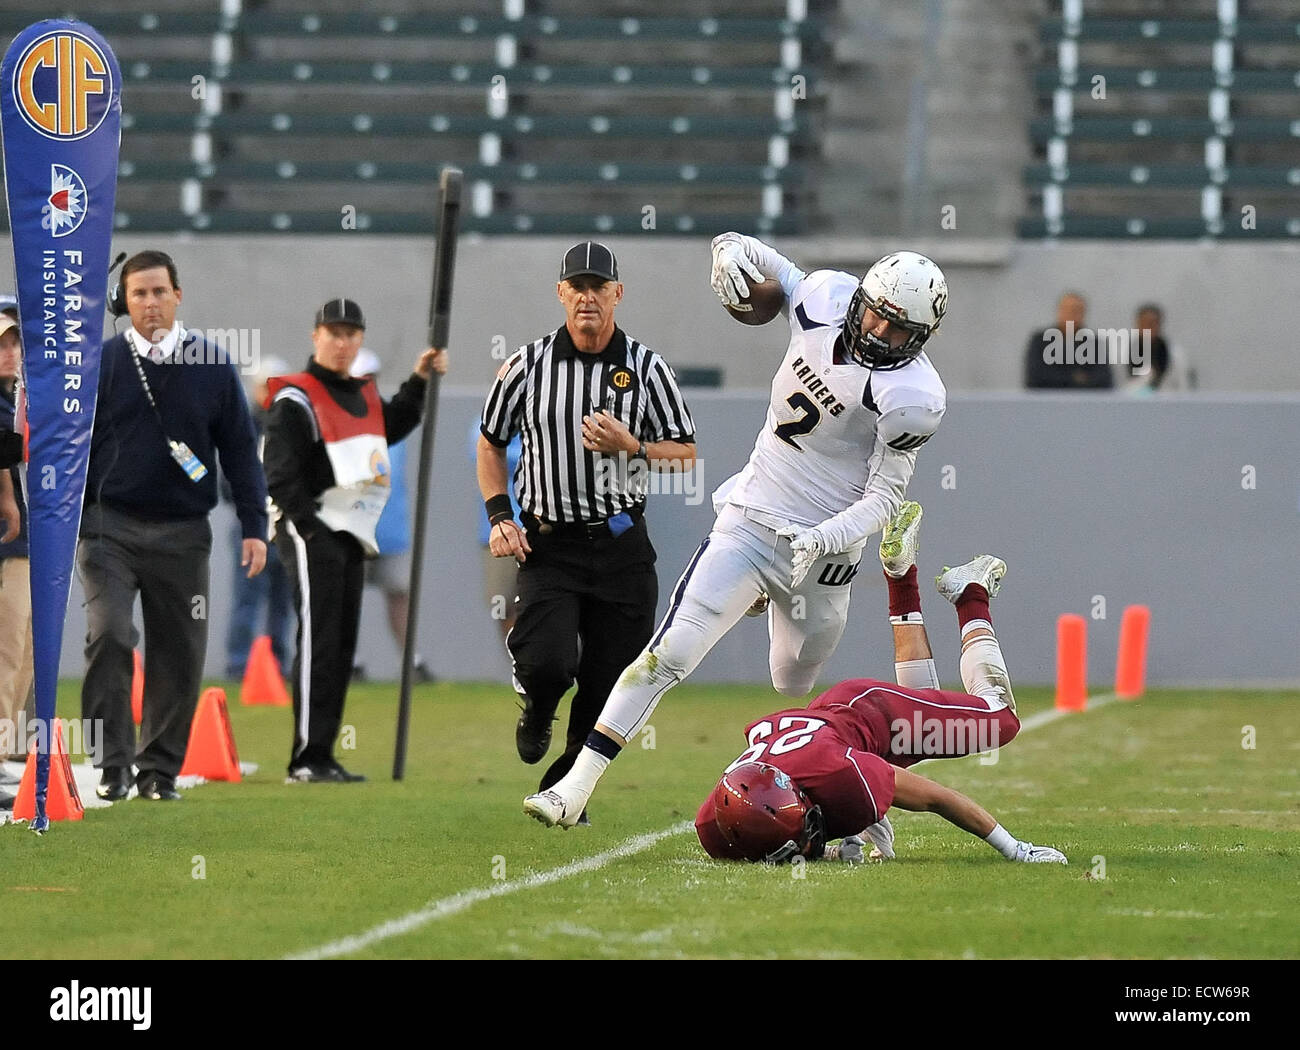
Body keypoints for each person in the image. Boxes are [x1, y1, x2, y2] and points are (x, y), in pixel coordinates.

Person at [525, 233, 948, 828]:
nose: (878, 332)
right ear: (860, 300)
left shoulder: (912, 397)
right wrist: (727, 249)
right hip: (752, 516)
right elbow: (774, 265)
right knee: (669, 652)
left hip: (822, 553)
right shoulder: (827, 298)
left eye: (897, 330)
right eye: (876, 314)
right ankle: (573, 789)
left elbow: (885, 497)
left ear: (920, 339)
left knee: (790, 677)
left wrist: (824, 538)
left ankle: (762, 604)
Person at [479, 241, 696, 824]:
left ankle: (563, 790)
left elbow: (687, 456)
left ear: (617, 295)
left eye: (599, 287)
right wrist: (501, 516)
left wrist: (635, 446)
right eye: (577, 287)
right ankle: (536, 704)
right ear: (560, 294)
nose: (588, 298)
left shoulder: (648, 368)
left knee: (608, 685)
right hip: (551, 542)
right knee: (549, 662)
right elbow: (490, 442)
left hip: (622, 542)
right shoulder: (526, 366)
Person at [79, 250, 268, 802]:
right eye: (139, 294)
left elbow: (239, 449)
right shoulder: (101, 363)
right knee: (109, 635)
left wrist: (255, 523)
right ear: (125, 301)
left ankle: (157, 772)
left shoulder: (211, 365)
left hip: (184, 531)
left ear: (178, 295)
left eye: (159, 292)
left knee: (179, 652)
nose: (151, 303)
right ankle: (111, 763)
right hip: (107, 527)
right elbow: (73, 446)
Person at [262, 299, 445, 783]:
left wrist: (419, 380)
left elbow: (393, 425)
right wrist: (310, 527)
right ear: (315, 336)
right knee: (320, 637)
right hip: (308, 529)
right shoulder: (295, 398)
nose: (342, 343)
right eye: (333, 333)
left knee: (341, 642)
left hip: (350, 531)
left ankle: (322, 752)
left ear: (360, 339)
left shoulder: (361, 395)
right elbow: (279, 476)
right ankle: (305, 757)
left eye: (351, 334)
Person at [347, 348, 434, 683]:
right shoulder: (342, 419)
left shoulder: (387, 416)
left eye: (372, 377)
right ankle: (349, 660)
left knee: (399, 594)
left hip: (391, 526)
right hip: (354, 526)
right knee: (348, 595)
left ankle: (412, 659)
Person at [224, 355, 294, 680]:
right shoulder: (241, 426)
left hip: (286, 526)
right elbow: (227, 480)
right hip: (251, 528)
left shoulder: (294, 429)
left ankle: (277, 663)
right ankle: (239, 664)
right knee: (247, 598)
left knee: (282, 601)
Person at [0, 313, 29, 811]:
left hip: (29, 540)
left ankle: (7, 752)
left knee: (22, 651)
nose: (9, 352)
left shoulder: (18, 400)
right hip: (8, 540)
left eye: (15, 344)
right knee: (5, 651)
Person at [469, 418, 522, 646]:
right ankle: (515, 666)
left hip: (547, 528)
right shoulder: (488, 419)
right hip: (501, 528)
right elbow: (483, 451)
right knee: (502, 603)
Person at [1023, 291, 1113, 390]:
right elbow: (1035, 377)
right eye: (1068, 310)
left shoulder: (1093, 343)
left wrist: (1060, 378)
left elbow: (1104, 379)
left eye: (1077, 311)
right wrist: (1075, 378)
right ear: (1059, 311)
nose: (1072, 315)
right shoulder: (1040, 341)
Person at [1123, 302, 1194, 394]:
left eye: (1152, 324)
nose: (1147, 328)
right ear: (1137, 324)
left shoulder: (1176, 355)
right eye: (1143, 324)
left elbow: (1184, 388)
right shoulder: (1123, 353)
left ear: (1159, 325)